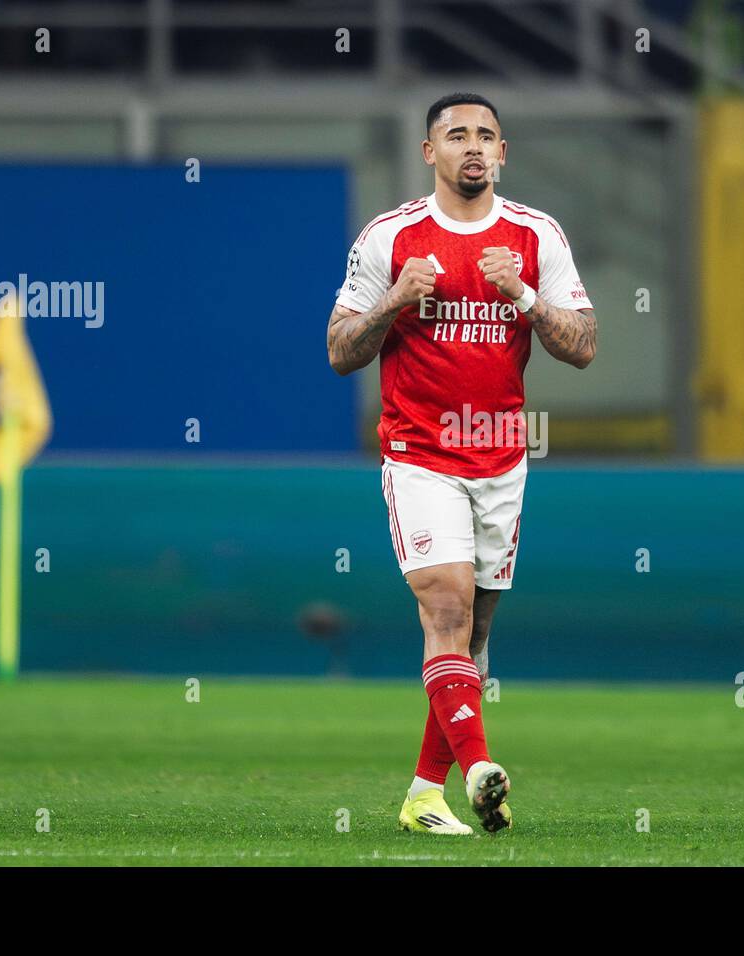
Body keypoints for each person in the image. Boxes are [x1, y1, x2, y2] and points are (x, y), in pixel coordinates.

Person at [325, 93, 597, 834]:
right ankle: (482, 769)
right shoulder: (392, 238)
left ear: (502, 153)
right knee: (444, 607)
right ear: (429, 153)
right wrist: (394, 302)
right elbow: (339, 351)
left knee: (471, 639)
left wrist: (525, 296)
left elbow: (582, 346)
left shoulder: (536, 236)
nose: (472, 147)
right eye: (456, 135)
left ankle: (423, 792)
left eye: (486, 136)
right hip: (419, 454)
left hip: (502, 460)